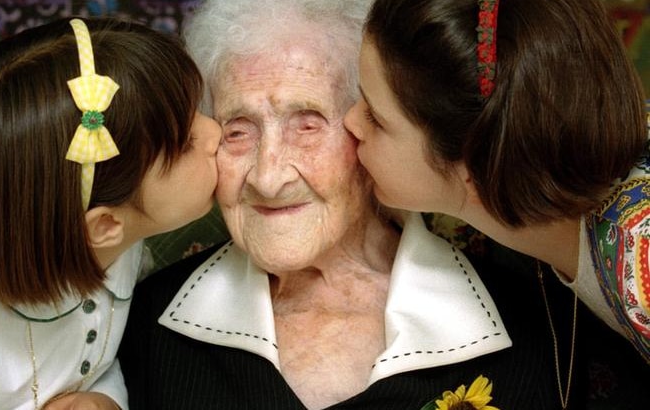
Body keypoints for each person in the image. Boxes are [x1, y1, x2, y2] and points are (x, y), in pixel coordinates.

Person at [117, 1, 581, 408]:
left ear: (369, 129)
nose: (268, 176)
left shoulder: (536, 322)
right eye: (238, 130)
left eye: (308, 125)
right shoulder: (142, 325)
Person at [0, 16, 220, 410]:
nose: (216, 132)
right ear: (106, 224)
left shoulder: (115, 246)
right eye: (185, 143)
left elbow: (95, 357)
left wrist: (103, 399)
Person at [343, 0, 650, 365]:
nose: (350, 121)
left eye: (376, 119)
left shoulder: (639, 256)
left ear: (479, 167)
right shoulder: (514, 197)